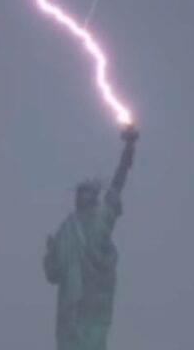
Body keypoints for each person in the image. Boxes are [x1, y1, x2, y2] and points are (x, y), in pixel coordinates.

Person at [43, 125, 139, 350]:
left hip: (95, 301)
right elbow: (54, 274)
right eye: (79, 192)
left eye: (85, 192)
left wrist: (127, 154)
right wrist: (50, 254)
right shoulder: (67, 228)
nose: (80, 196)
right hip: (71, 307)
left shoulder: (101, 217)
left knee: (93, 342)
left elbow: (117, 186)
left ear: (94, 196)